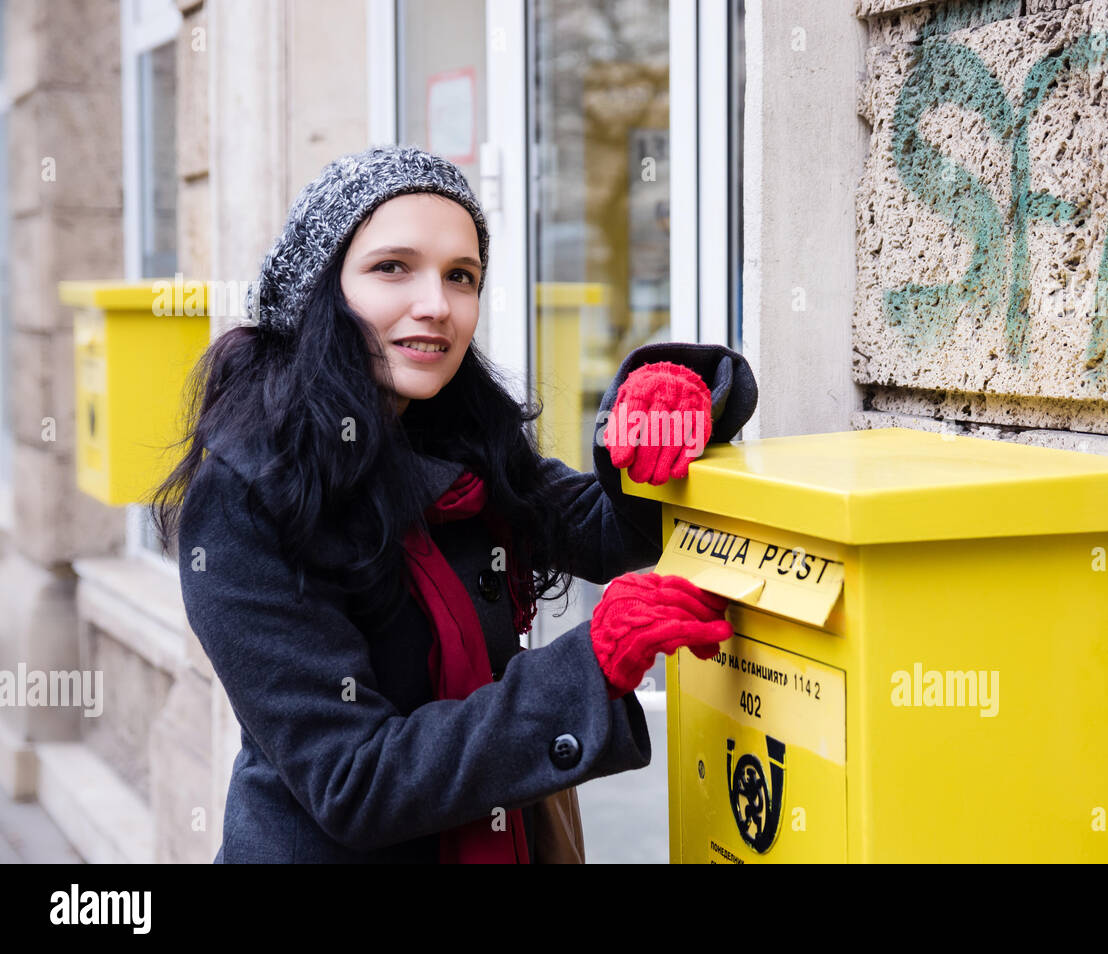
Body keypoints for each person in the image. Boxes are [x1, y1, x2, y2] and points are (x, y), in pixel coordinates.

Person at [150, 144, 758, 863]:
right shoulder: (244, 498)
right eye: (392, 268)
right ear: (319, 289)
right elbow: (354, 778)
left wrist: (661, 402)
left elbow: (604, 528)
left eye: (461, 276)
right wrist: (587, 667)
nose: (436, 305)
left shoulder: (455, 439)